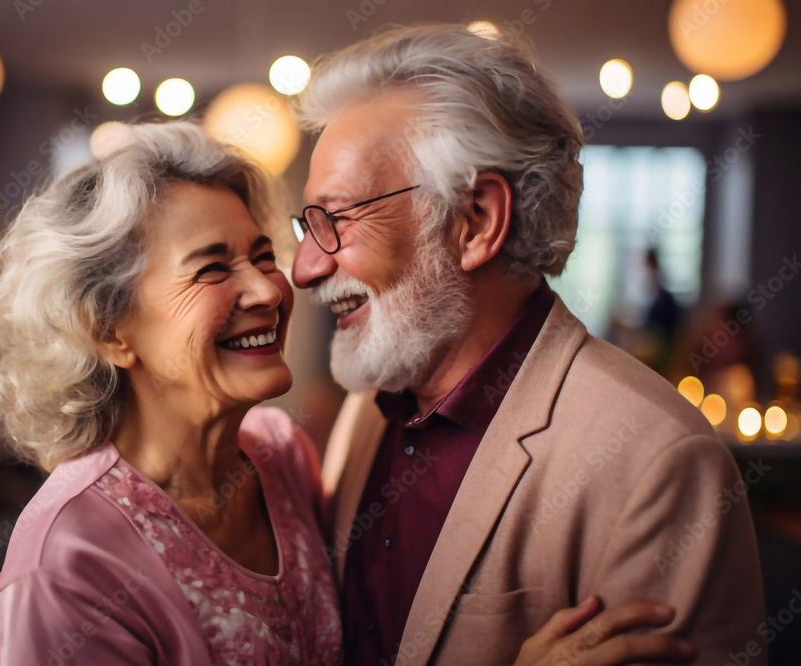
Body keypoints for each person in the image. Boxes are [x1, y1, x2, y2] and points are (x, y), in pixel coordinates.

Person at [0, 122, 697, 666]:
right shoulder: (71, 558)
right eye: (213, 268)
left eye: (261, 254)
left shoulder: (279, 457)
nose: (270, 288)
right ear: (110, 330)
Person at [290, 24, 766, 665]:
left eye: (337, 219)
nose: (303, 268)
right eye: (307, 225)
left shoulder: (659, 461)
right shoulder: (367, 409)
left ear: (476, 221)